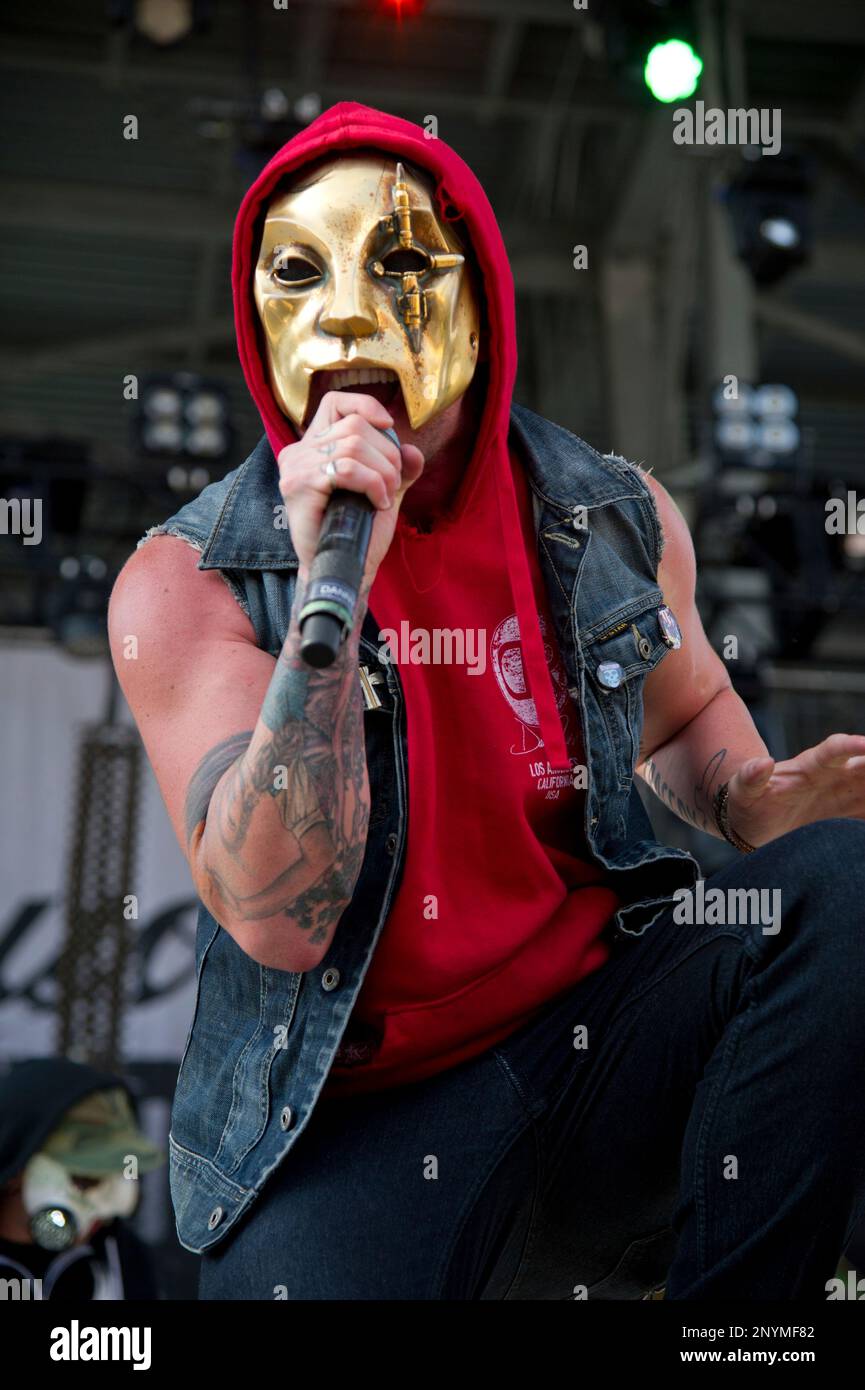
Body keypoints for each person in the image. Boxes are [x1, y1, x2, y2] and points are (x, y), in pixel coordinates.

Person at [108, 101, 865, 1300]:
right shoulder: (185, 579)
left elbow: (682, 716)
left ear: (483, 299)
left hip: (592, 1042)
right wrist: (326, 603)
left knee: (836, 884)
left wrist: (745, 796)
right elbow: (278, 916)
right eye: (297, 271)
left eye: (403, 261)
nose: (348, 311)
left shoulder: (609, 513)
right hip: (353, 1119)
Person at [0, 1058, 163, 1300]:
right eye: (86, 1178)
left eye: (121, 1173)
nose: (108, 1206)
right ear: (16, 1169)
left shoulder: (119, 1257)